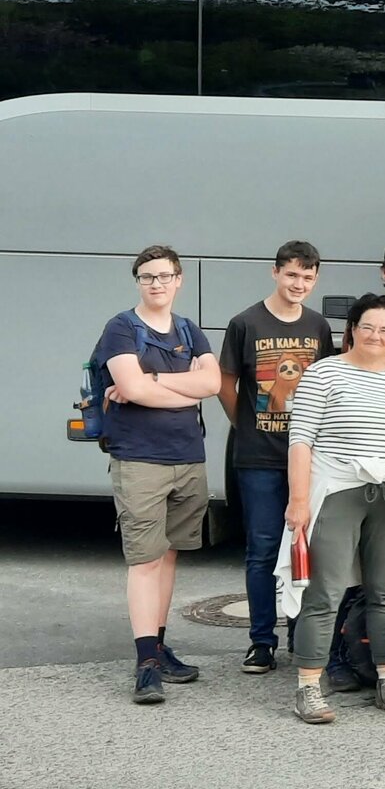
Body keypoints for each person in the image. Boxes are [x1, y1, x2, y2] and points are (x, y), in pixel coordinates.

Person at [283, 294, 385, 724]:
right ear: (352, 330)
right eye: (368, 327)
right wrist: (297, 501)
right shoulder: (323, 373)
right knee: (324, 593)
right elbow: (301, 440)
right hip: (337, 494)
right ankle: (308, 686)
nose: (376, 335)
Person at [97, 245, 222, 705]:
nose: (156, 283)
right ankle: (146, 663)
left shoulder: (190, 330)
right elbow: (129, 388)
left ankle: (159, 646)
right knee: (145, 560)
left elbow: (211, 384)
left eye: (165, 276)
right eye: (148, 276)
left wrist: (155, 384)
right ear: (138, 281)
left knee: (168, 557)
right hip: (140, 459)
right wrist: (179, 388)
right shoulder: (121, 328)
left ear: (179, 280)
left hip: (188, 457)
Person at [219, 240, 335, 675]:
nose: (298, 284)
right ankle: (261, 640)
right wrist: (245, 424)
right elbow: (226, 383)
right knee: (264, 547)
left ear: (316, 279)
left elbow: (324, 384)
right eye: (291, 275)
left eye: (307, 277)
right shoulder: (244, 323)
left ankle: (300, 632)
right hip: (260, 457)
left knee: (309, 546)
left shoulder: (318, 327)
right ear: (274, 273)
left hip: (309, 457)